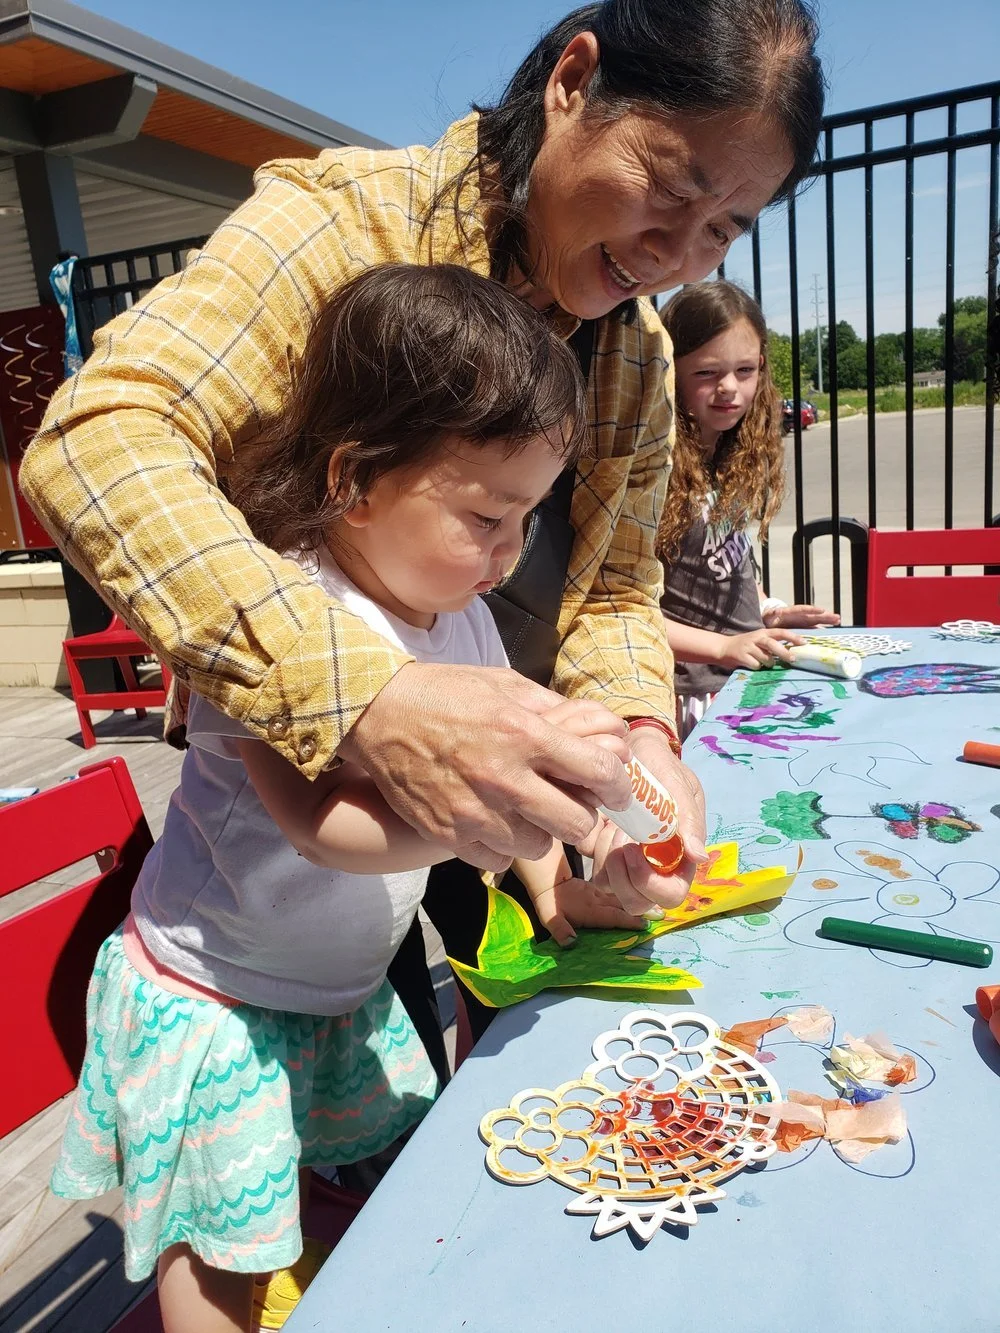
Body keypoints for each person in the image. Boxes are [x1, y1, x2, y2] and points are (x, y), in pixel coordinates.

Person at [20, 1, 827, 930]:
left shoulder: (639, 354)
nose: (677, 257)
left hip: (516, 774)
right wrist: (373, 699)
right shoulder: (340, 227)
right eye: (674, 189)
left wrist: (643, 743)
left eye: (724, 229)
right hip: (303, 801)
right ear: (573, 84)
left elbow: (611, 590)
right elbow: (99, 437)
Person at [49, 265, 644, 1333]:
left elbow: (504, 780)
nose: (510, 551)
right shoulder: (278, 613)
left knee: (356, 1194)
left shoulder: (460, 614)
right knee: (219, 1249)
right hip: (216, 993)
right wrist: (481, 823)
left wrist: (555, 880)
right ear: (356, 480)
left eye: (527, 515)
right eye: (485, 514)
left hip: (333, 986)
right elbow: (322, 826)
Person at [657, 280, 840, 736]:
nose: (729, 388)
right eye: (706, 373)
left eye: (744, 370)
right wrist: (724, 647)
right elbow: (626, 609)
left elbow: (727, 562)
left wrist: (770, 610)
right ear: (669, 371)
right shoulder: (655, 470)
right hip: (687, 694)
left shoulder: (727, 455)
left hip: (741, 677)